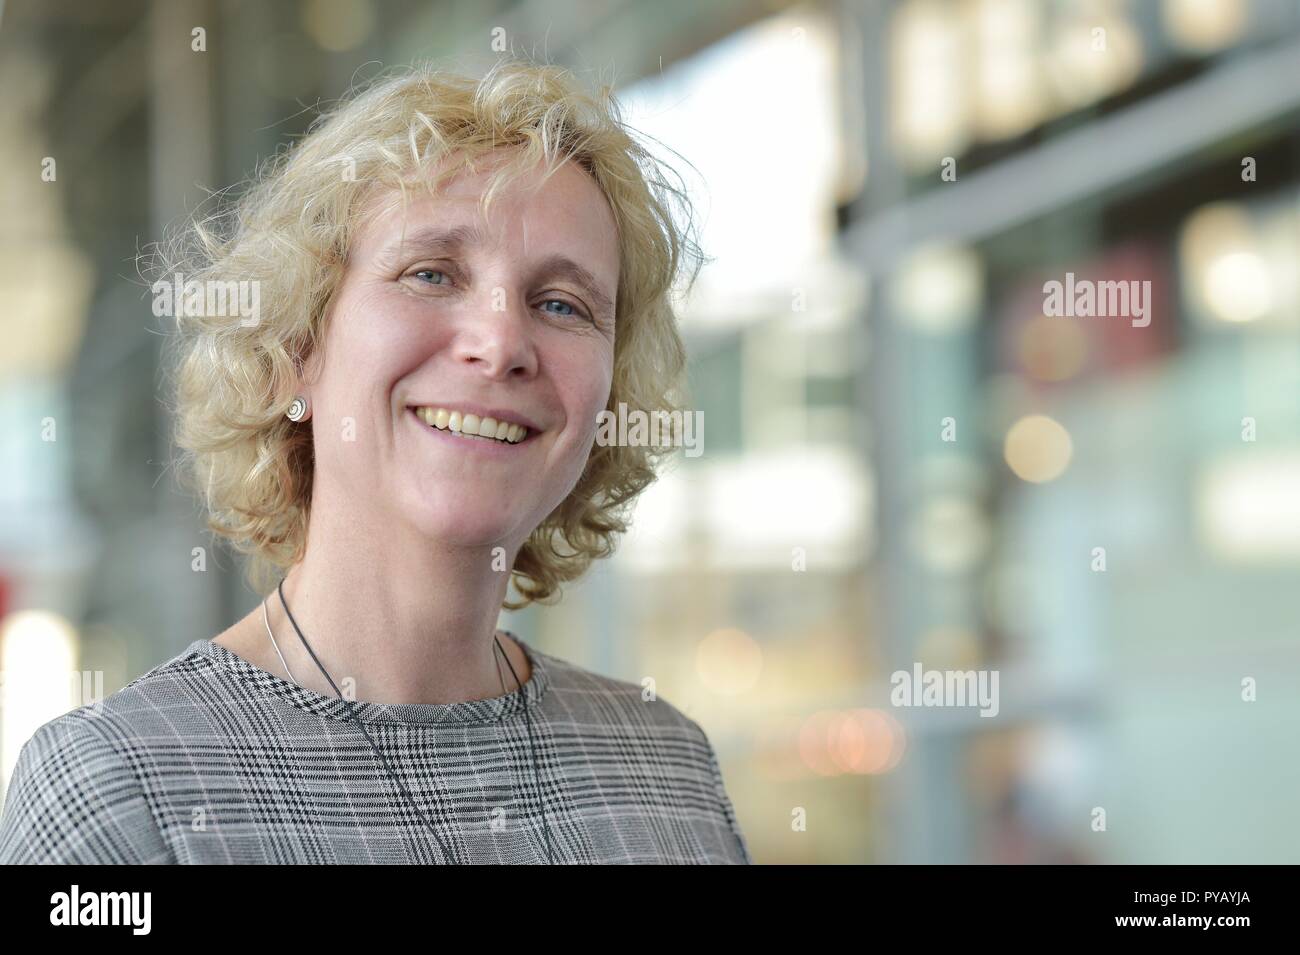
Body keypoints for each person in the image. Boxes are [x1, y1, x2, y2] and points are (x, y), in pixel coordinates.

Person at [0, 59, 751, 864]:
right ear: (296, 351)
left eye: (561, 303)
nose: (500, 344)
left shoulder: (669, 769)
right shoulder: (121, 790)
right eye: (430, 274)